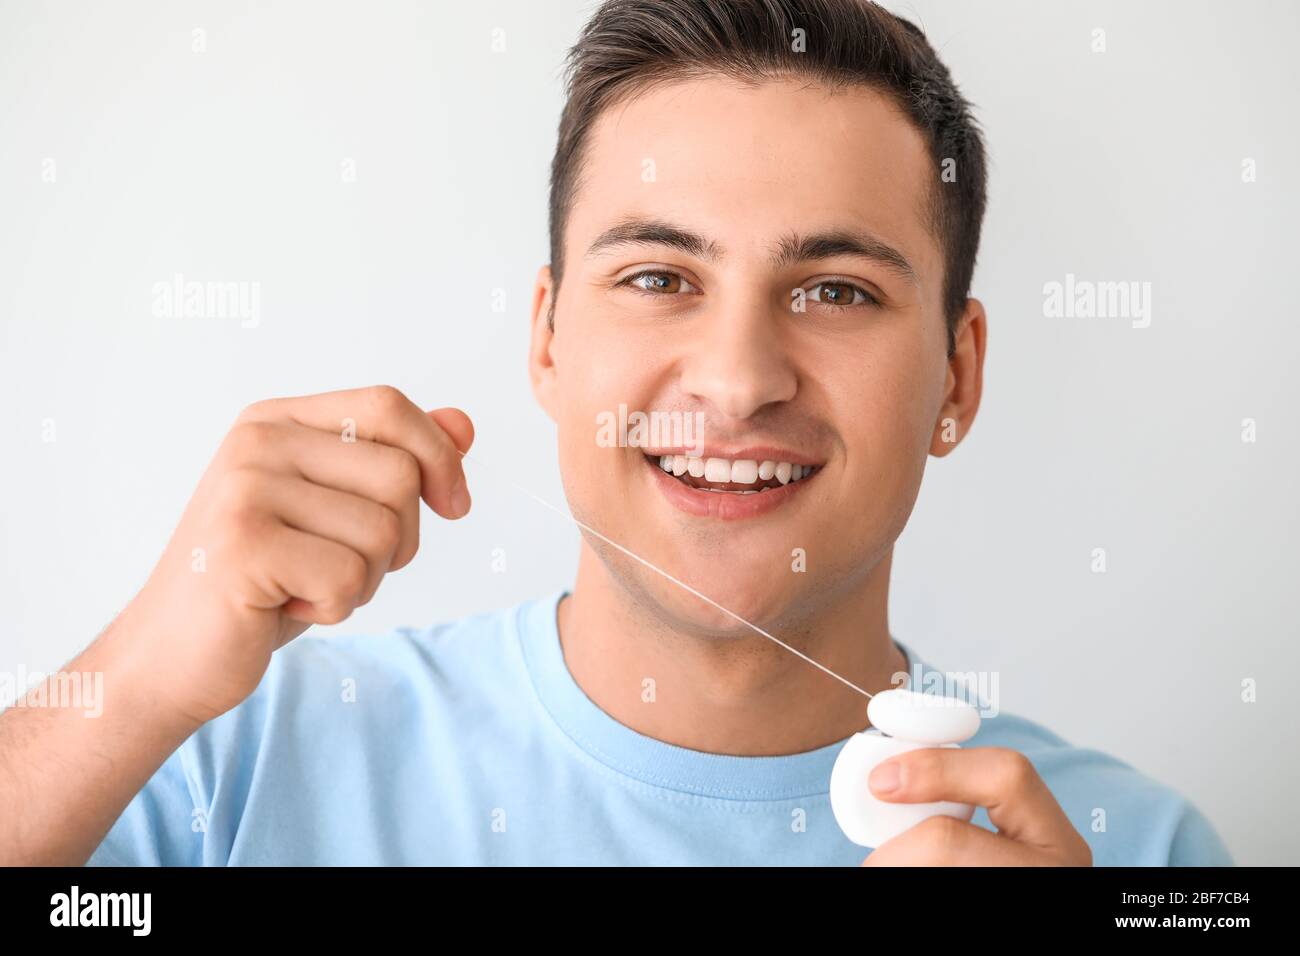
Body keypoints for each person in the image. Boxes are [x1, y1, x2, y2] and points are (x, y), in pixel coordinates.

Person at [0, 0, 1232, 866]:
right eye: (657, 275)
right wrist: (138, 672)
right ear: (547, 341)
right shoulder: (224, 761)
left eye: (836, 290)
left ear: (956, 378)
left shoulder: (1134, 853)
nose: (740, 379)